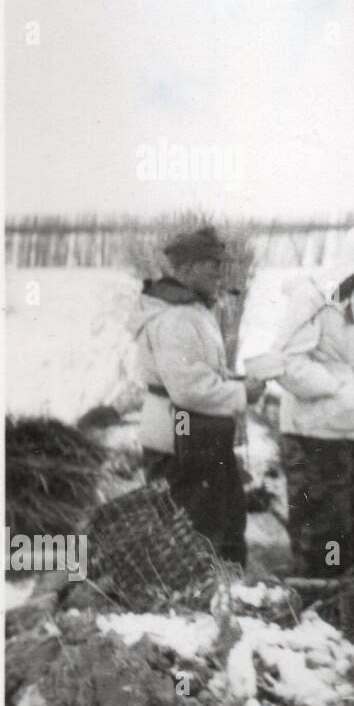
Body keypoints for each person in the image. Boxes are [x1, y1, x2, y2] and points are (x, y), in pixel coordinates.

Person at [131, 224, 263, 565]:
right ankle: (199, 604)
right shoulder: (176, 317)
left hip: (191, 435)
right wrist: (240, 393)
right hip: (180, 439)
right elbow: (188, 388)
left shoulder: (190, 310)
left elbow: (196, 374)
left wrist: (234, 382)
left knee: (215, 522)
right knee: (194, 529)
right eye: (212, 265)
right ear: (188, 269)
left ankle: (218, 593)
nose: (220, 273)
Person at [272, 223, 354, 578]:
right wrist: (339, 390)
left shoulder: (353, 303)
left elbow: (353, 362)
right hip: (313, 435)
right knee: (323, 530)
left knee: (350, 525)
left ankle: (340, 598)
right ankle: (317, 602)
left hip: (346, 431)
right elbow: (286, 362)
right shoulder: (311, 298)